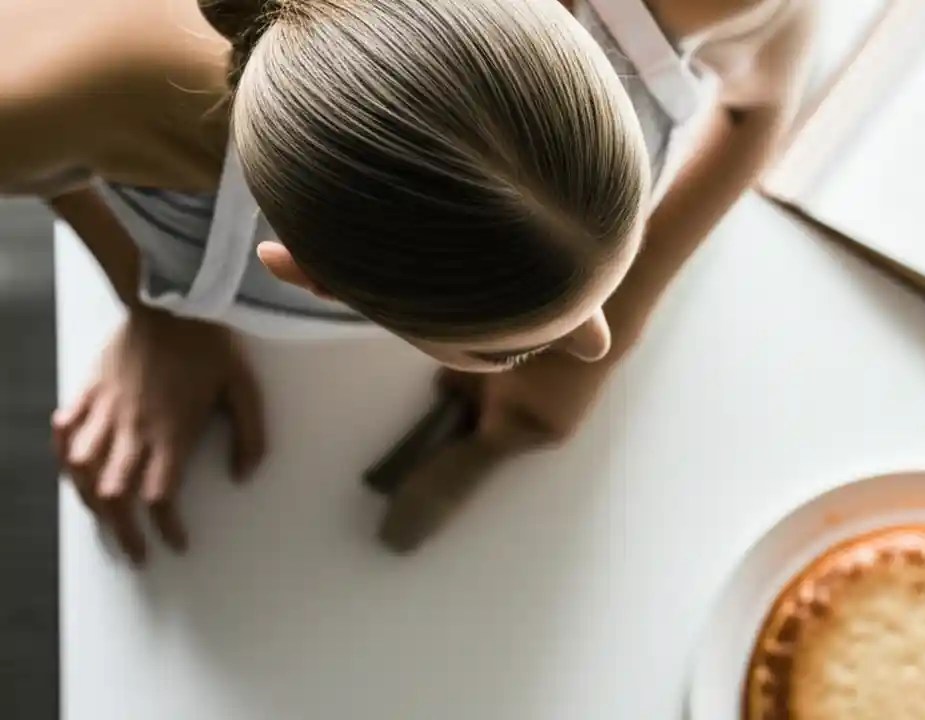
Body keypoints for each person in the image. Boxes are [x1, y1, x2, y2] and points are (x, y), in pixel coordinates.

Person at [0, 0, 814, 563]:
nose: (593, 336)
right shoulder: (53, 98)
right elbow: (44, 170)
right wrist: (161, 316)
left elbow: (763, 102)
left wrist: (617, 326)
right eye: (505, 352)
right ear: (301, 271)